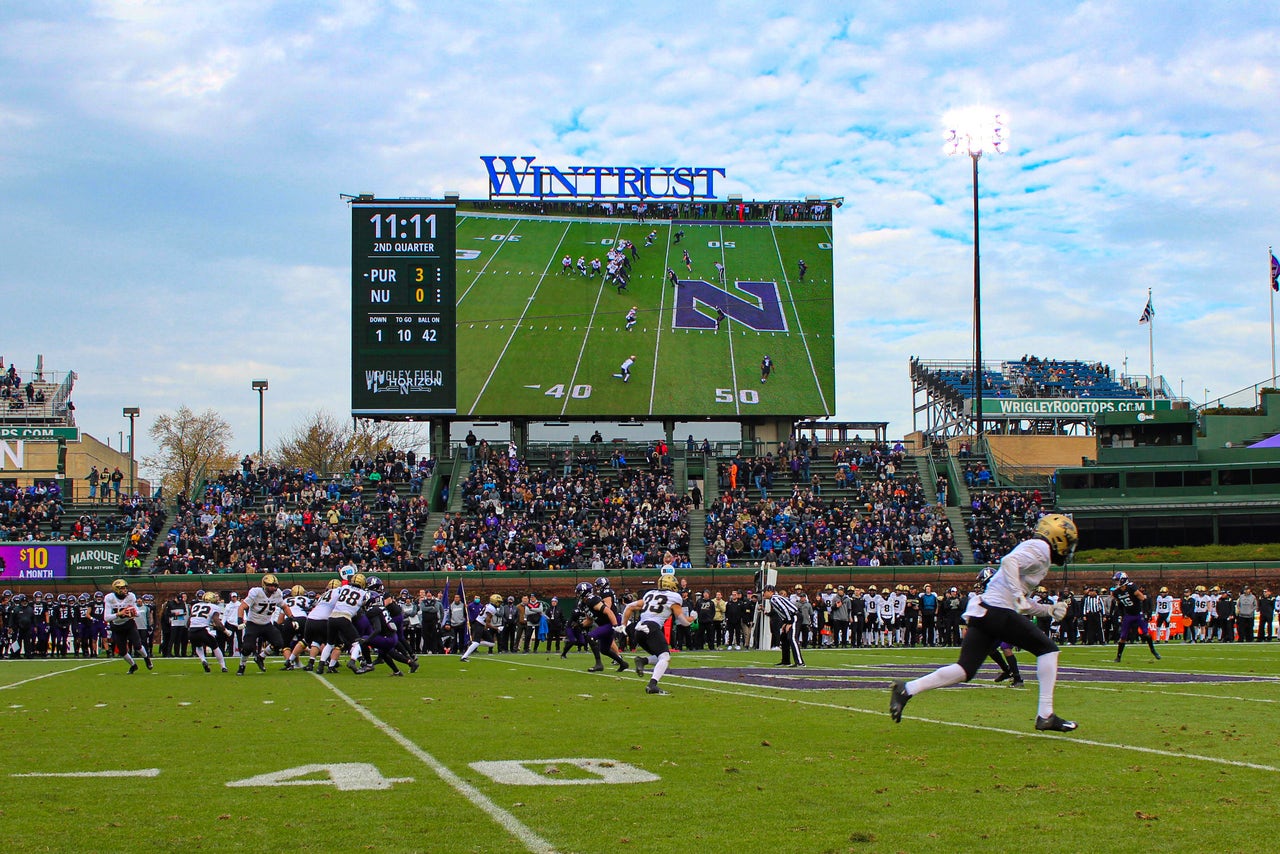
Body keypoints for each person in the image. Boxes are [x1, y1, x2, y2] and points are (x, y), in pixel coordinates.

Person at [889, 514, 1080, 733]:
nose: (1069, 549)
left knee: (964, 669)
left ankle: (907, 689)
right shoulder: (1040, 549)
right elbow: (1009, 563)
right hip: (997, 611)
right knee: (1048, 650)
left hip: (985, 611)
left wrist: (1047, 610)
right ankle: (1045, 714)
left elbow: (1020, 602)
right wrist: (1018, 595)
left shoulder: (1037, 551)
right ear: (1057, 538)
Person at [623, 573, 694, 695]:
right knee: (665, 657)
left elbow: (629, 606)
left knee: (661, 656)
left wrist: (623, 625)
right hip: (652, 627)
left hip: (639, 630)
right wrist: (692, 618)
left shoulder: (650, 594)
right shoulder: (674, 597)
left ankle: (643, 661)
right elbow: (683, 622)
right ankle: (652, 685)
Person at [236, 573, 294, 675]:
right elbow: (242, 607)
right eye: (270, 585)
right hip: (253, 623)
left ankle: (261, 657)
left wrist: (292, 618)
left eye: (274, 586)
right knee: (247, 648)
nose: (272, 588)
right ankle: (242, 665)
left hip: (267, 624)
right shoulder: (256, 592)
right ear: (264, 585)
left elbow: (284, 607)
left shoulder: (277, 594)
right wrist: (240, 620)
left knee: (279, 643)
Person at [103, 579, 152, 673]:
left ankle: (146, 658)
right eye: (122, 588)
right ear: (116, 589)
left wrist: (134, 613)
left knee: (138, 645)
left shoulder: (130, 596)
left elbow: (137, 613)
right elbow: (106, 618)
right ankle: (133, 665)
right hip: (117, 626)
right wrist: (119, 614)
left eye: (125, 588)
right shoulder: (110, 598)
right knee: (122, 652)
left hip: (129, 624)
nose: (125, 590)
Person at [1111, 572, 1160, 663]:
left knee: (1146, 633)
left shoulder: (1131, 587)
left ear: (1123, 580)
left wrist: (1145, 612)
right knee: (1123, 637)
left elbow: (1143, 599)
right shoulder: (1116, 592)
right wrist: (1121, 615)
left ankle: (1153, 650)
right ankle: (1118, 657)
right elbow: (1120, 605)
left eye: (1117, 580)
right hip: (1128, 615)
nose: (1116, 582)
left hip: (1138, 614)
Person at [188, 591, 230, 673]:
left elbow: (189, 621)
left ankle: (203, 660)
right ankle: (223, 666)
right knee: (215, 647)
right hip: (203, 630)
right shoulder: (214, 607)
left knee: (198, 646)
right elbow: (217, 622)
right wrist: (226, 631)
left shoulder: (195, 605)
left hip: (192, 630)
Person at [762, 584, 803, 667]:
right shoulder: (773, 599)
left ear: (770, 591)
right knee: (784, 638)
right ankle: (786, 661)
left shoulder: (775, 598)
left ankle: (800, 662)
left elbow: (784, 609)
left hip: (794, 616)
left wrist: (789, 622)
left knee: (792, 638)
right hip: (790, 617)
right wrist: (785, 623)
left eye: (765, 592)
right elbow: (781, 612)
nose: (763, 594)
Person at [460, 594, 501, 662]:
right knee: (476, 642)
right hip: (479, 624)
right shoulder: (492, 609)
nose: (499, 603)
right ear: (494, 601)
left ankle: (472, 642)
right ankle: (464, 657)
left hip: (480, 624)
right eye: (498, 601)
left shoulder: (488, 605)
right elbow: (488, 623)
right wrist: (497, 628)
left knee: (492, 643)